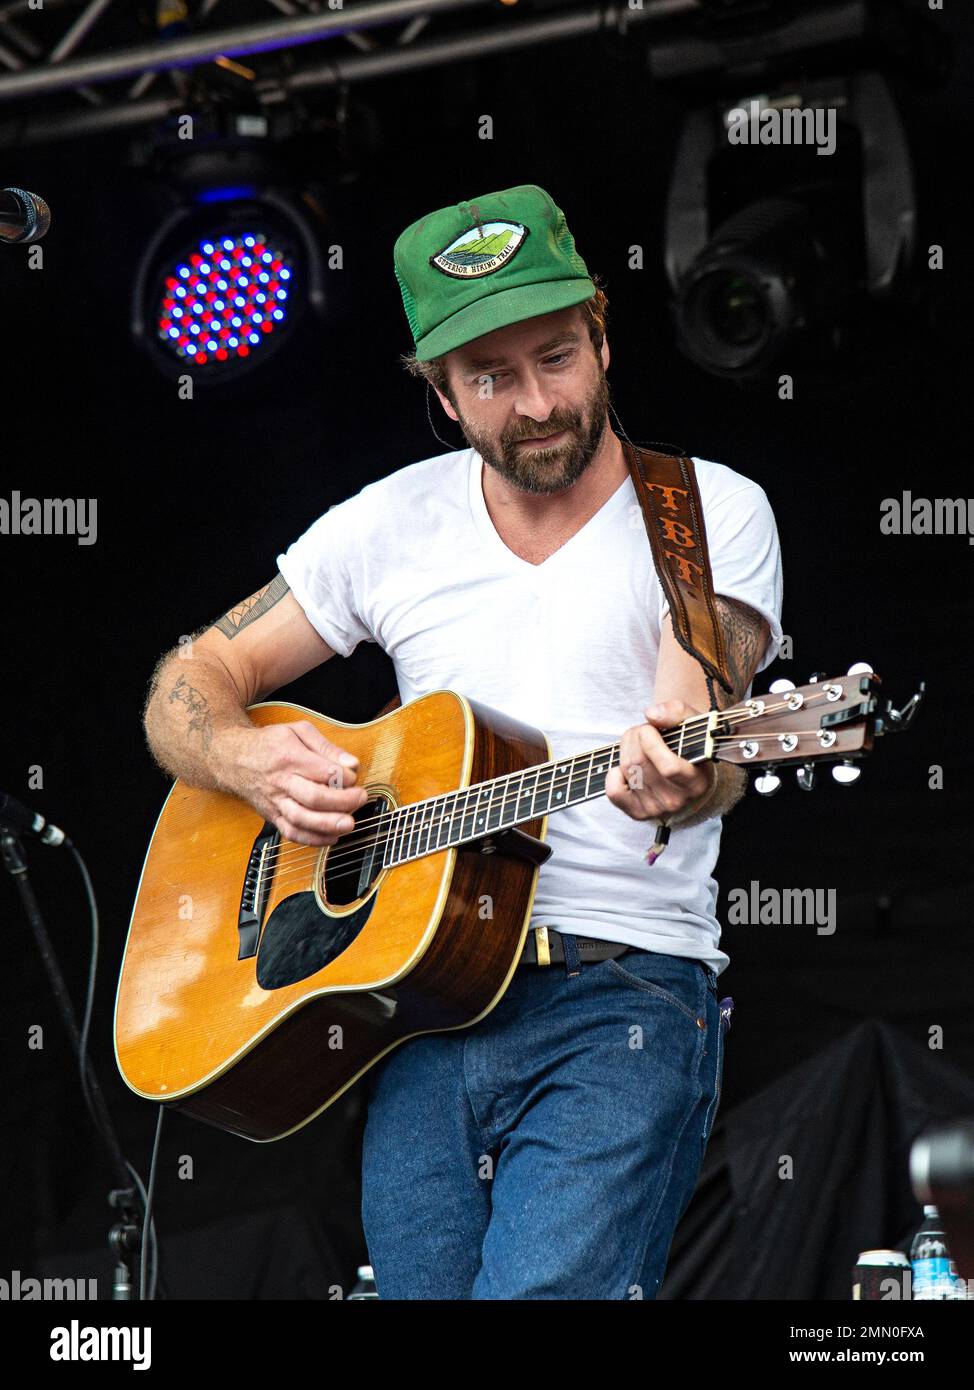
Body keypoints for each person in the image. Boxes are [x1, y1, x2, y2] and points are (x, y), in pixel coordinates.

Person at [142, 184, 783, 1300]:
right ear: (438, 390)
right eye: (491, 376)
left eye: (556, 356)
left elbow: (702, 731)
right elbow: (187, 685)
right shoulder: (386, 525)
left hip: (618, 997)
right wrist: (248, 762)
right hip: (420, 1010)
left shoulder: (708, 511)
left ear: (600, 331)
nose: (537, 403)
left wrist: (681, 773)